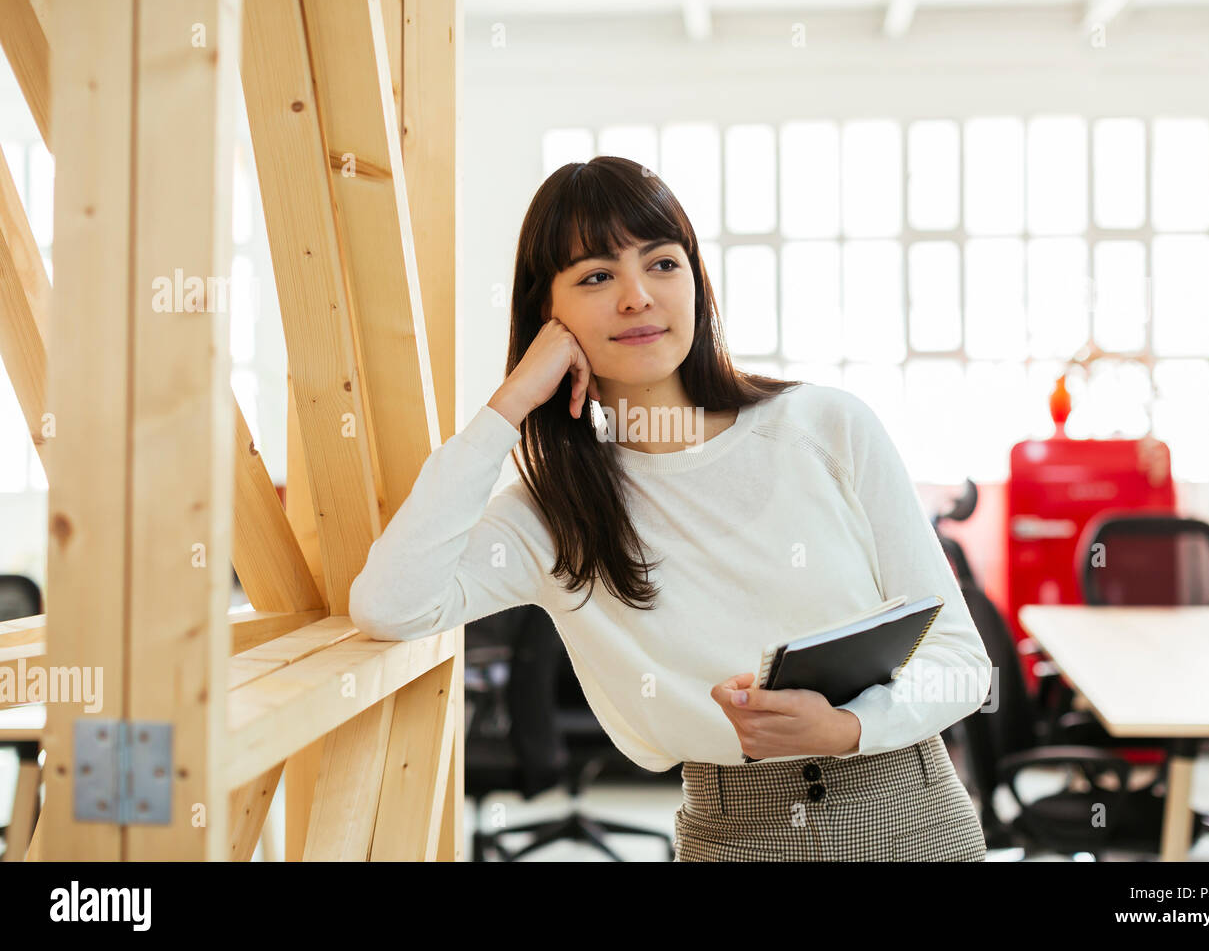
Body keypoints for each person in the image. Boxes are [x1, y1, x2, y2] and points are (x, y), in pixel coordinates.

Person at [348, 156, 993, 861]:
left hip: (912, 817)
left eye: (661, 262)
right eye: (596, 276)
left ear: (694, 279)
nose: (637, 297)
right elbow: (392, 604)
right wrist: (509, 405)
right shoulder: (553, 515)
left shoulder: (825, 426)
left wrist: (847, 728)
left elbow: (961, 662)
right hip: (735, 834)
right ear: (548, 316)